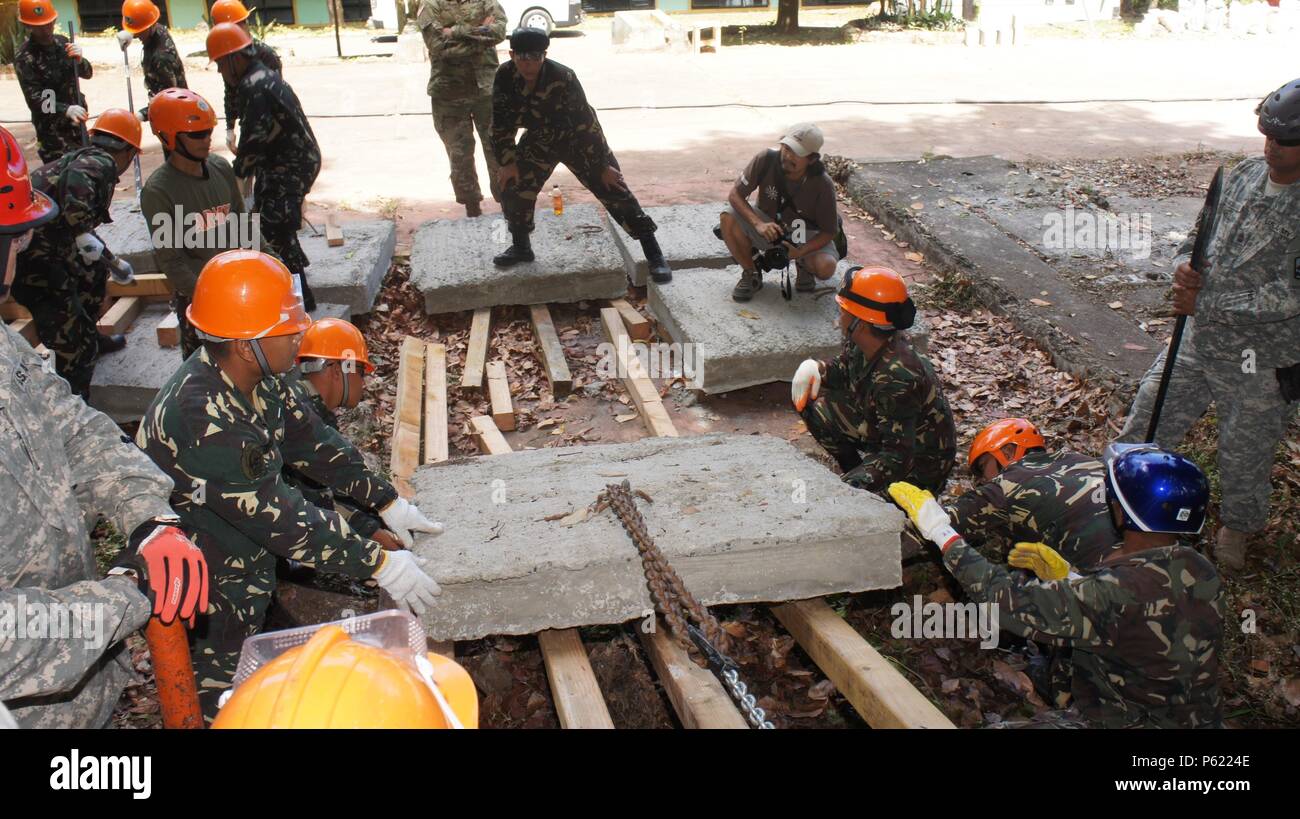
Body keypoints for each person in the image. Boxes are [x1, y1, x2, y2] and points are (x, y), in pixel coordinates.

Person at [134, 249, 443, 718]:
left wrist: (386, 501)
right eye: (287, 329)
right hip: (205, 594)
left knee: (257, 686)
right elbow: (283, 519)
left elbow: (314, 443)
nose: (299, 335)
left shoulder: (258, 377)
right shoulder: (200, 417)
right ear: (245, 343)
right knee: (222, 705)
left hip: (243, 568)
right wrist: (380, 563)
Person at [0, 124, 209, 728]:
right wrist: (123, 599)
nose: (19, 254)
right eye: (9, 239)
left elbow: (70, 424)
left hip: (80, 698)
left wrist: (147, 518)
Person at [889, 444, 1224, 728]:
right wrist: (1071, 580)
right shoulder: (1202, 570)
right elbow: (1135, 619)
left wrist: (940, 530)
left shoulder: (1115, 592)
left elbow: (1003, 600)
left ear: (1120, 511)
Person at [1116, 77, 1300, 574]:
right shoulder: (1240, 176)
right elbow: (1200, 237)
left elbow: (1291, 295)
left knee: (1245, 452)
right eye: (1266, 134)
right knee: (1148, 418)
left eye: (1284, 141)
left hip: (1259, 355)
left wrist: (1212, 298)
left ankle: (1237, 527)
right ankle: (1123, 496)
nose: (1271, 148)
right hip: (1198, 339)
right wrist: (1183, 264)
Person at [490, 27, 671, 282]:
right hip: (539, 138)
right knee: (513, 184)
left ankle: (654, 254)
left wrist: (601, 165)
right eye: (522, 57)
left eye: (534, 56)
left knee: (614, 188)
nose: (528, 63)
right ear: (511, 54)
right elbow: (500, 123)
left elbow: (586, 123)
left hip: (579, 139)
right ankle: (521, 247)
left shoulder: (563, 76)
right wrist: (507, 163)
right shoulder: (505, 75)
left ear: (544, 55)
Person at [791, 265, 956, 494]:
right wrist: (816, 368)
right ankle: (853, 466)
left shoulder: (897, 376)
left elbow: (898, 458)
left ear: (862, 321)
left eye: (844, 309)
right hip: (886, 431)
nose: (840, 314)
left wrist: (853, 487)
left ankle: (872, 488)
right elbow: (845, 369)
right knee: (811, 395)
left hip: (918, 466)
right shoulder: (868, 342)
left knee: (849, 499)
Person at [13, 109, 142, 398]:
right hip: (31, 262)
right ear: (130, 152)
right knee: (70, 338)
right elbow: (79, 188)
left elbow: (78, 229)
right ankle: (75, 394)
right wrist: (83, 231)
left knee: (94, 271)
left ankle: (91, 337)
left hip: (46, 247)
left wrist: (112, 260)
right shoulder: (100, 162)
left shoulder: (85, 155)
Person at [207, 22, 320, 312]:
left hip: (291, 164)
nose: (220, 71)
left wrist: (234, 176)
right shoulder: (259, 75)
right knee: (272, 223)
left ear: (235, 58)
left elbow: (254, 139)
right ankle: (296, 291)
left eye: (220, 64)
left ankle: (299, 300)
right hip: (285, 160)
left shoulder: (254, 85)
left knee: (274, 228)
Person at [901, 418, 1116, 567]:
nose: (983, 480)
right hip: (1138, 562)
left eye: (983, 467)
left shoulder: (1006, 485)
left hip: (1097, 589)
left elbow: (935, 524)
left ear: (1007, 452)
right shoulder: (1082, 461)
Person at [141, 87, 249, 359]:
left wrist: (271, 264)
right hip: (199, 299)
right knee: (204, 373)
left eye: (208, 132)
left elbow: (243, 222)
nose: (206, 140)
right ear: (168, 138)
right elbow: (171, 261)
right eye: (196, 134)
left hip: (237, 287)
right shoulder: (158, 192)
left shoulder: (221, 168)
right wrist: (209, 297)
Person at [281, 318, 405, 551]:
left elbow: (337, 480)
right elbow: (308, 498)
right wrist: (373, 533)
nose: (364, 383)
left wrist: (382, 512)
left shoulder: (302, 402)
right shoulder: (301, 413)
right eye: (361, 372)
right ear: (339, 370)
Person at [720, 124, 843, 302]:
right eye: (786, 148)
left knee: (826, 268)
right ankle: (751, 273)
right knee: (728, 217)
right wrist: (758, 223)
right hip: (768, 225)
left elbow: (829, 231)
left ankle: (804, 267)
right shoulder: (766, 159)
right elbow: (735, 195)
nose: (787, 156)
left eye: (796, 153)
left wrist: (801, 252)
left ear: (812, 159)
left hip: (804, 233)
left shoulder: (823, 184)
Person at [418, 0, 507, 218]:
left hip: (485, 89)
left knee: (498, 148)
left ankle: (507, 203)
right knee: (460, 154)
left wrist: (455, 32)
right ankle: (472, 207)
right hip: (449, 93)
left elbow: (499, 32)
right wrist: (480, 37)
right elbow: (438, 47)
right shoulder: (430, 5)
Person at [13, 0, 92, 163]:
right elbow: (35, 99)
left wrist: (80, 60)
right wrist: (65, 110)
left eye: (48, 23)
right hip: (53, 133)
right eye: (39, 26)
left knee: (88, 173)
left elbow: (87, 73)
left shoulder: (63, 42)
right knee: (63, 179)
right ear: (28, 26)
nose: (46, 29)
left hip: (78, 124)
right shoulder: (25, 57)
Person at [209, 0, 283, 156]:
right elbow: (230, 91)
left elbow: (274, 104)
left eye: (241, 24)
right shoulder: (227, 56)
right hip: (249, 122)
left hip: (269, 127)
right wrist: (230, 127)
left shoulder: (265, 55)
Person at [117, 0, 187, 121]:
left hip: (175, 114)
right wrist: (130, 33)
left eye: (138, 32)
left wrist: (141, 115)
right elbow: (144, 22)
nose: (137, 35)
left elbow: (167, 100)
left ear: (149, 27)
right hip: (162, 99)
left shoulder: (162, 58)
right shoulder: (158, 29)